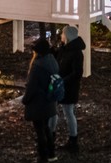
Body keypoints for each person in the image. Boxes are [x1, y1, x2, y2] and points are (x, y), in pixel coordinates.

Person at [23, 37, 60, 162]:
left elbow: (31, 87)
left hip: (38, 103)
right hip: (49, 101)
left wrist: (25, 99)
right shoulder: (52, 62)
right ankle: (51, 154)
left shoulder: (37, 66)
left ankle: (43, 156)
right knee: (46, 128)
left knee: (40, 131)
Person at [51, 25, 86, 153]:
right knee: (54, 110)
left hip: (68, 87)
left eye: (63, 34)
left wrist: (63, 80)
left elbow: (77, 73)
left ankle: (73, 139)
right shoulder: (65, 49)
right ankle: (52, 135)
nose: (61, 36)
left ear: (67, 36)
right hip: (61, 84)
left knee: (68, 112)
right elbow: (57, 58)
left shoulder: (76, 53)